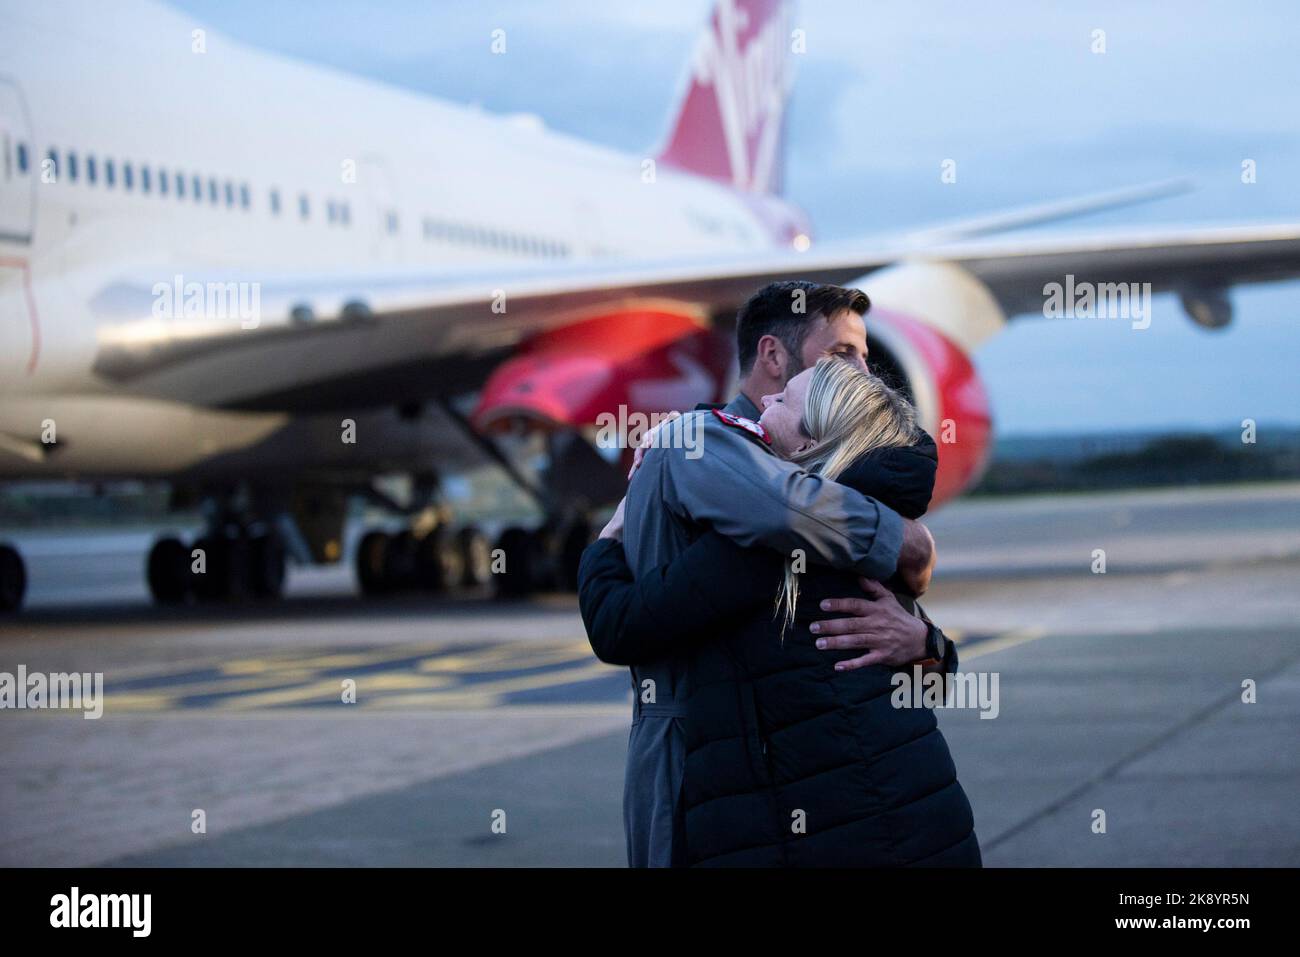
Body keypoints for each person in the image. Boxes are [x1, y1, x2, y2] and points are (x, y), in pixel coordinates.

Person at [582, 359, 980, 866]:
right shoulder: (882, 526)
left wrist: (609, 539)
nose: (765, 402)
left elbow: (619, 626)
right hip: (925, 817)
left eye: (784, 400)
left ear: (810, 444)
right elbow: (932, 688)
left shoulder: (764, 548)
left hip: (847, 832)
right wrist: (930, 647)